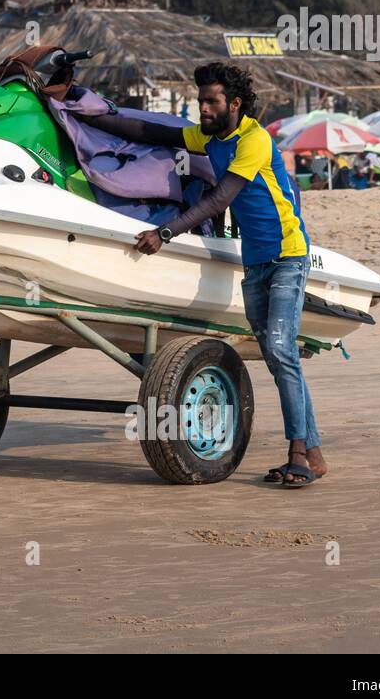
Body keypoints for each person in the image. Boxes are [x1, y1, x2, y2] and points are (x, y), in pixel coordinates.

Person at [80, 62, 325, 488]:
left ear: (234, 103)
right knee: (278, 358)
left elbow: (221, 197)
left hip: (288, 256)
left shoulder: (255, 140)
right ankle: (315, 452)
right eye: (200, 102)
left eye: (211, 101)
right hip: (255, 262)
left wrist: (165, 232)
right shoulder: (209, 136)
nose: (203, 109)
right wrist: (85, 113)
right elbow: (148, 132)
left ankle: (299, 455)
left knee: (282, 351)